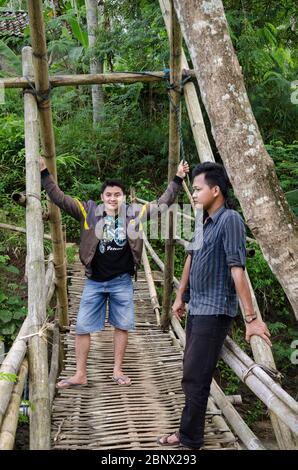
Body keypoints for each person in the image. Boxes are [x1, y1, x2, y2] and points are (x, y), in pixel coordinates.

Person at [40, 157, 189, 388]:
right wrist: (44, 173)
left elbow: (163, 202)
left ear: (123, 197)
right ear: (102, 197)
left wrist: (178, 178)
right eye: (108, 195)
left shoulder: (134, 213)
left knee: (122, 326)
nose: (112, 199)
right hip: (94, 281)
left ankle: (117, 370)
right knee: (82, 327)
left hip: (122, 281)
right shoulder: (87, 210)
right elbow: (59, 197)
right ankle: (80, 373)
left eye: (117, 195)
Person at [157, 161, 271, 449]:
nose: (193, 195)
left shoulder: (230, 219)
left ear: (216, 190)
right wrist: (181, 295)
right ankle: (188, 432)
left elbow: (237, 269)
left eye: (197, 189)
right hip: (198, 307)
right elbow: (191, 258)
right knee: (191, 373)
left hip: (215, 311)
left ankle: (189, 438)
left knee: (195, 376)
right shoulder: (203, 220)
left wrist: (251, 318)